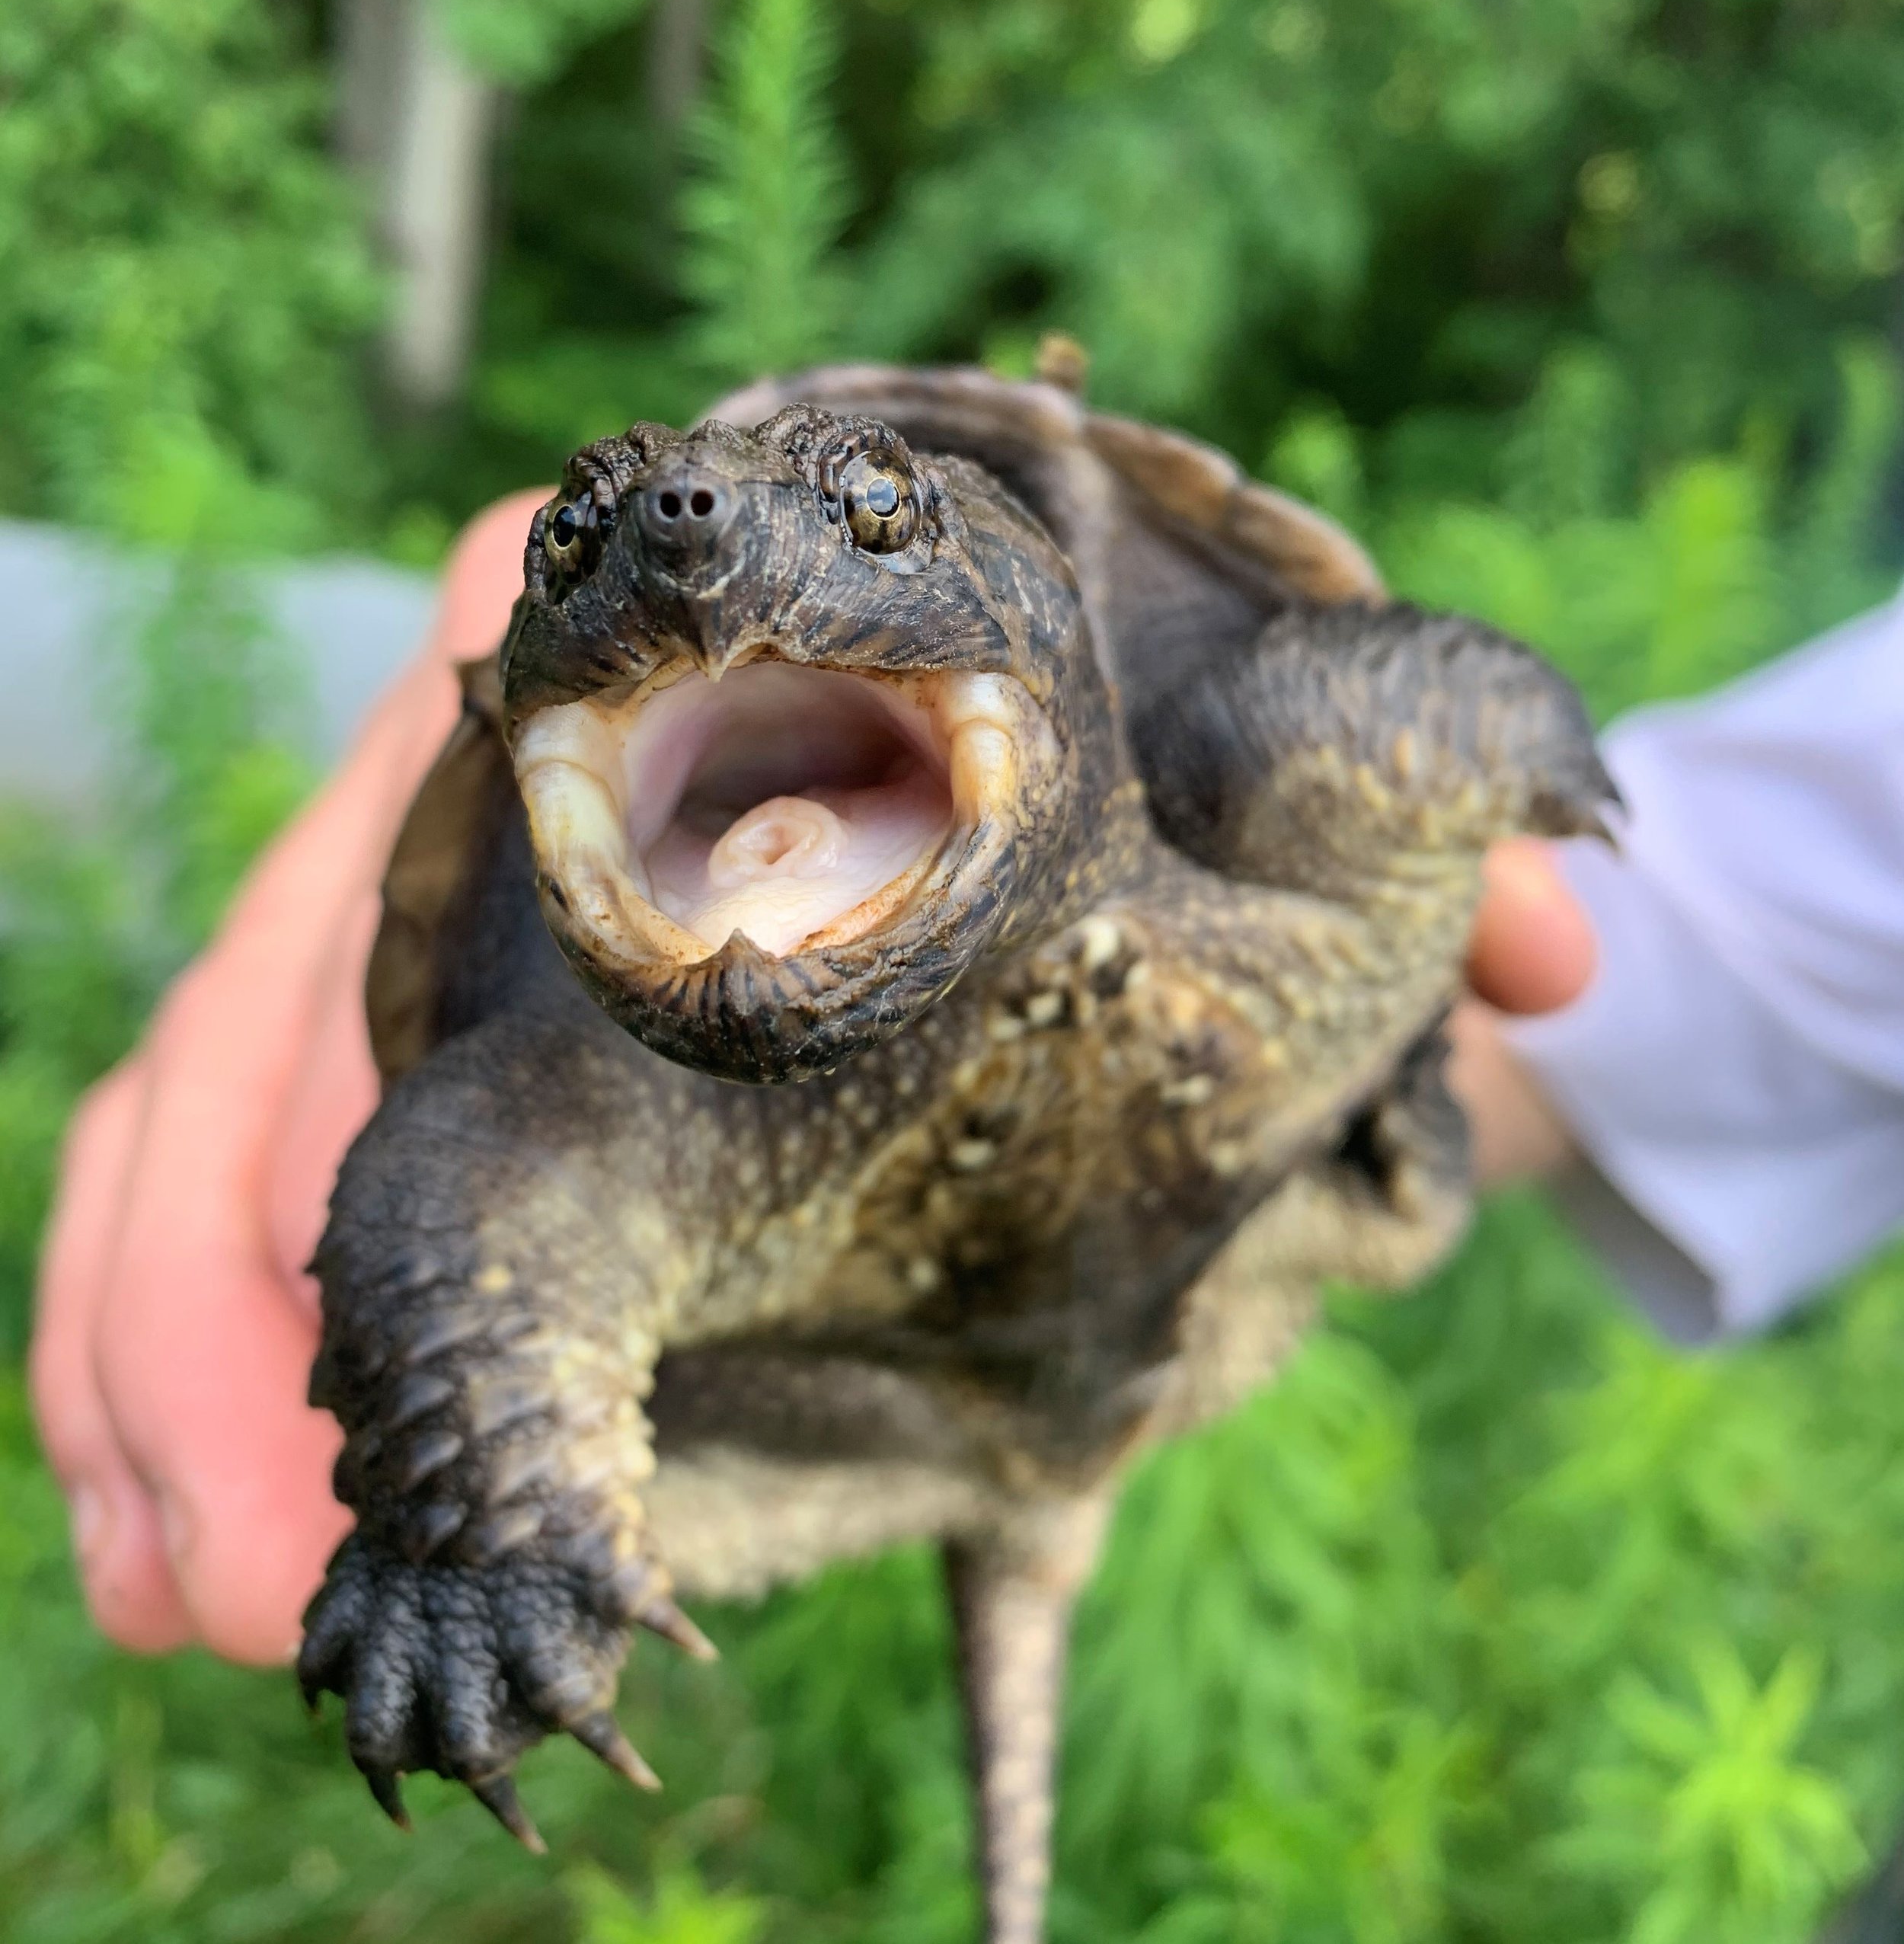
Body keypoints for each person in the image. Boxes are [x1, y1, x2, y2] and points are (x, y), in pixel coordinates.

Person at [32, 490, 1898, 1669]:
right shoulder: (565, 1100)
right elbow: (1681, 927)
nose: (680, 544)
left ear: (1038, 627)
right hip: (790, 1314)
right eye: (580, 553)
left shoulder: (1265, 737)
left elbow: (1486, 747)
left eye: (865, 520)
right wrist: (483, 1541)